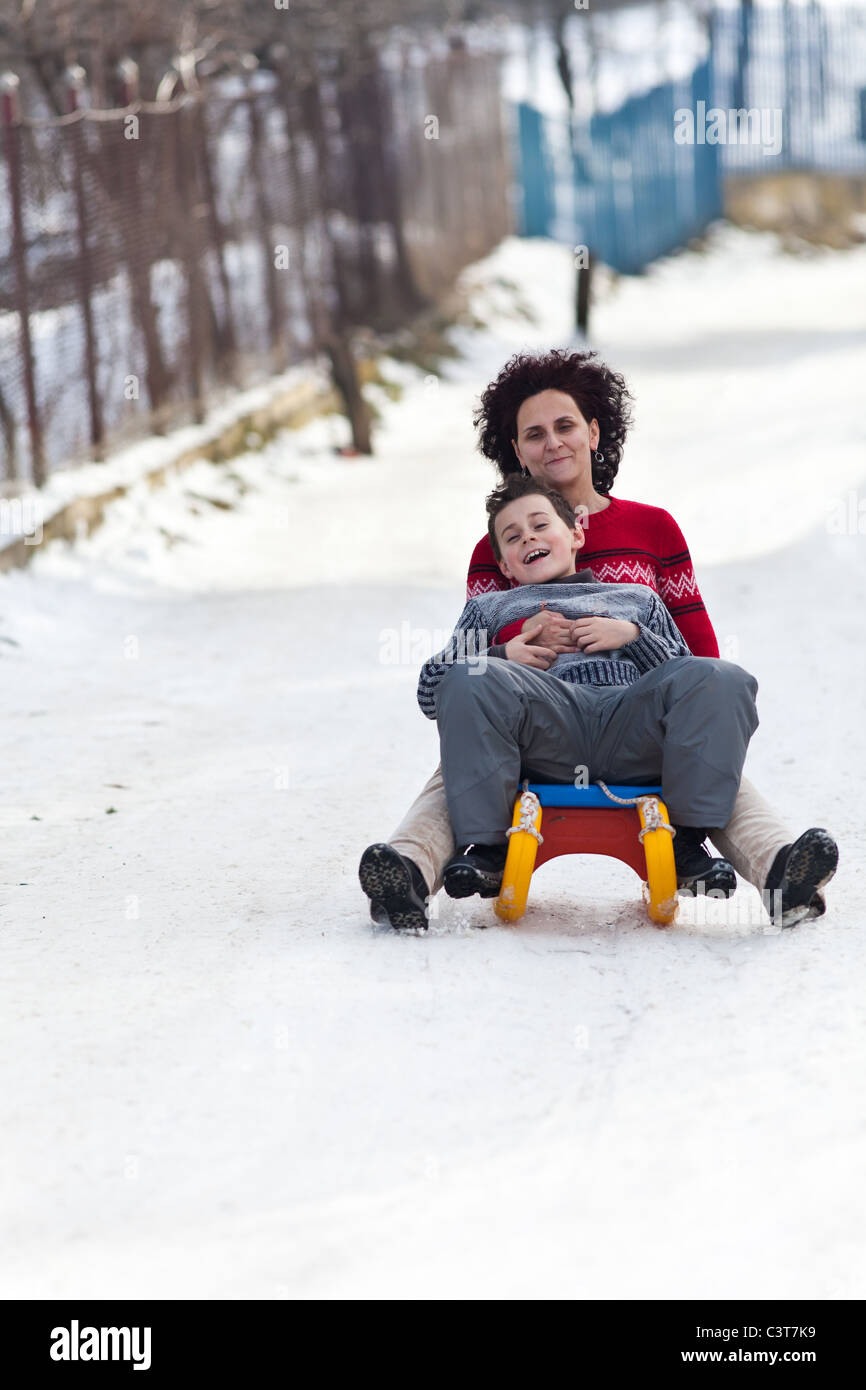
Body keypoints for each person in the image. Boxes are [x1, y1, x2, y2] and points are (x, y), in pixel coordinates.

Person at [358, 349, 838, 930]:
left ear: (592, 432)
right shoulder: (496, 559)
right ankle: (411, 871)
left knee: (712, 716)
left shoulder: (651, 534)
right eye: (533, 434)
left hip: (639, 720)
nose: (552, 443)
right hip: (533, 725)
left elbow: (697, 663)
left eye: (565, 426)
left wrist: (632, 637)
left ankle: (776, 870)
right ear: (515, 450)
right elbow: (458, 687)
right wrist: (509, 651)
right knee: (463, 744)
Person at [418, 475, 759, 895]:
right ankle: (489, 849)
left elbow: (689, 683)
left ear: (576, 533)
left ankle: (686, 844)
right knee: (470, 677)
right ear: (504, 565)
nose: (528, 538)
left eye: (540, 526)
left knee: (722, 679)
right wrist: (502, 656)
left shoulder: (636, 600)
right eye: (513, 536)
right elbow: (433, 689)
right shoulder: (488, 609)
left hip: (632, 727)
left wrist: (634, 637)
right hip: (545, 735)